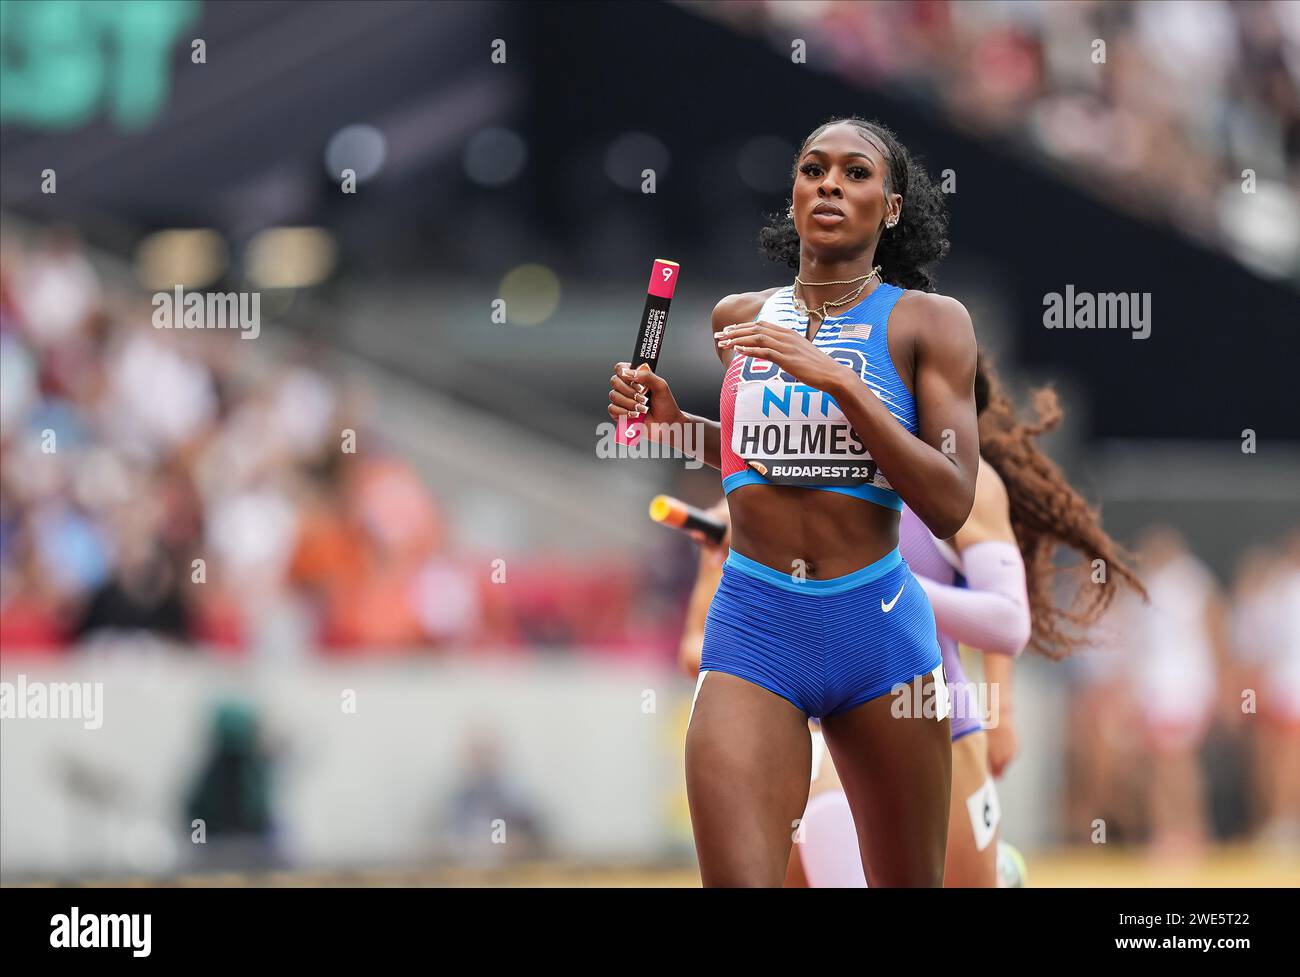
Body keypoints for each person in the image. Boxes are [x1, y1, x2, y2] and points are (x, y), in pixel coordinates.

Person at [609, 117, 978, 886]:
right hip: (756, 622)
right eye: (814, 169)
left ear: (894, 207)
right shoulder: (740, 318)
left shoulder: (929, 323)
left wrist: (839, 378)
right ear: (794, 192)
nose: (831, 184)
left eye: (855, 172)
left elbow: (949, 500)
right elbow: (762, 453)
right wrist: (677, 428)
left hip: (877, 631)